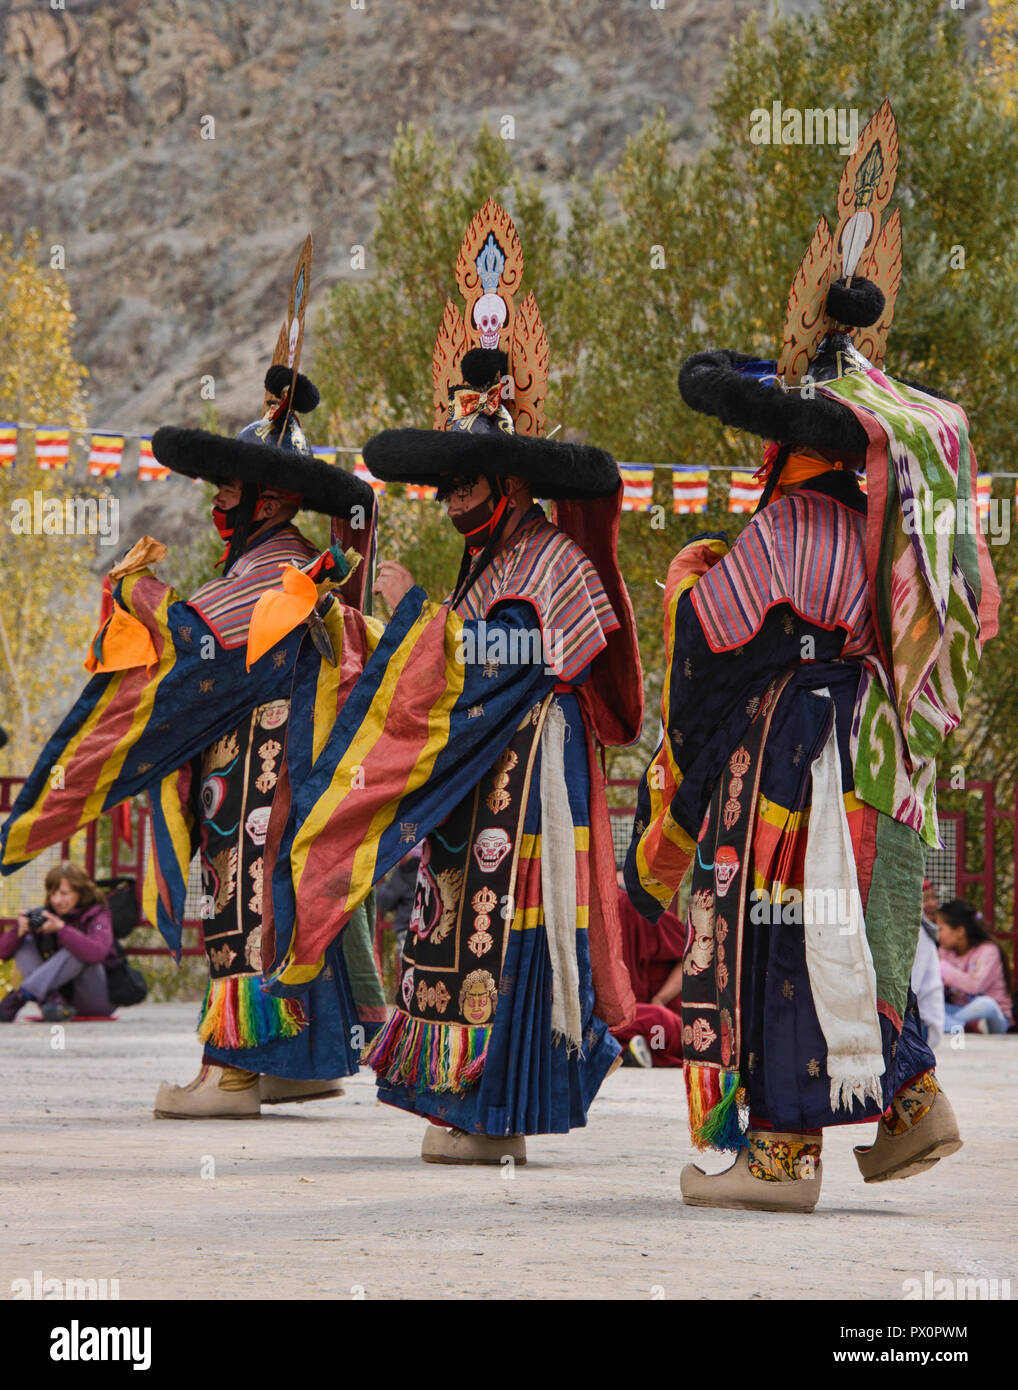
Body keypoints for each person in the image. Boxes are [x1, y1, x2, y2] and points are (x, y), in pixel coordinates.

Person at [625, 102, 999, 1212]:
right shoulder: (885, 527)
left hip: (792, 746)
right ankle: (910, 1099)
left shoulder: (789, 527)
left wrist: (695, 577)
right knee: (850, 925)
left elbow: (717, 635)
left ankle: (780, 1154)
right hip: (873, 735)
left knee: (778, 934)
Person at [252, 201, 642, 1164]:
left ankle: (499, 1116)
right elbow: (441, 667)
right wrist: (381, 621)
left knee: (510, 940)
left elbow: (507, 659)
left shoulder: (550, 559)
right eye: (447, 487)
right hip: (479, 783)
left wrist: (418, 611)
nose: (450, 499)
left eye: (465, 486)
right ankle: (469, 1109)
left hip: (535, 782)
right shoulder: (485, 563)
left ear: (505, 486)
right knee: (455, 921)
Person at [1, 345, 384, 1116]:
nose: (217, 500)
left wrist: (135, 593)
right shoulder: (286, 568)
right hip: (275, 778)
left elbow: (192, 648)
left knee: (248, 902)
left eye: (230, 487)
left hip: (261, 785)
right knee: (275, 898)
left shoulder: (278, 573)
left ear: (272, 499)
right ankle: (298, 1061)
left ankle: (233, 1073)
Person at [0, 862, 114, 1022]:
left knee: (78, 949)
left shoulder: (98, 913)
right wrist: (18, 931)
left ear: (81, 892)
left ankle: (21, 996)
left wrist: (62, 929)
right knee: (23, 943)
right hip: (55, 1000)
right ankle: (52, 1002)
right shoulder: (46, 914)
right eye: (52, 894)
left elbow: (97, 953)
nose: (57, 900)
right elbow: (3, 953)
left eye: (64, 893)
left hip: (94, 997)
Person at [611, 881, 685, 1068]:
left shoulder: (639, 912)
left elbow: (690, 959)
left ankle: (624, 1051)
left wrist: (661, 998)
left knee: (657, 1019)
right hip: (620, 1019)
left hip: (659, 1016)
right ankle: (627, 1052)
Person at [937, 899, 1013, 1035]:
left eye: (941, 929)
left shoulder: (988, 951)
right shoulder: (945, 952)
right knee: (927, 1009)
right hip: (959, 1010)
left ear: (960, 931)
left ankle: (953, 1025)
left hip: (992, 1018)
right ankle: (966, 1026)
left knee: (986, 1004)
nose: (938, 934)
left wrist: (942, 968)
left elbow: (975, 985)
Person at [912, 880, 945, 1049]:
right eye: (925, 899)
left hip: (919, 1024)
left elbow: (912, 986)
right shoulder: (919, 928)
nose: (932, 904)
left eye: (933, 898)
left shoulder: (918, 932)